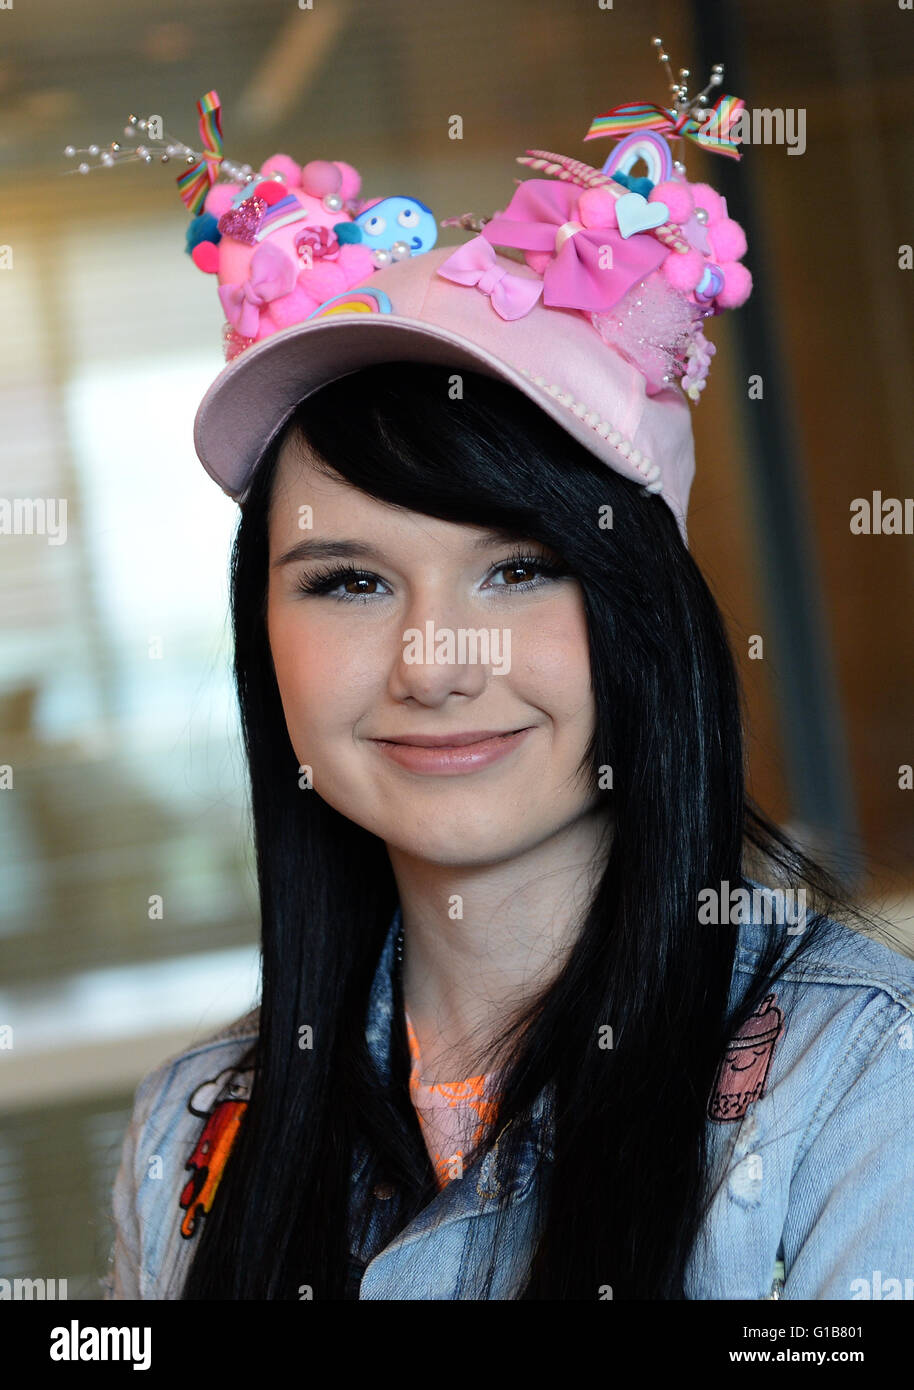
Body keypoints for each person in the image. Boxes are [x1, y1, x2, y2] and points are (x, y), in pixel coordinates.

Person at [85, 67, 913, 1302]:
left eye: (520, 569)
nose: (432, 663)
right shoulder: (190, 1139)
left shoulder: (859, 1083)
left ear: (644, 612)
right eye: (348, 583)